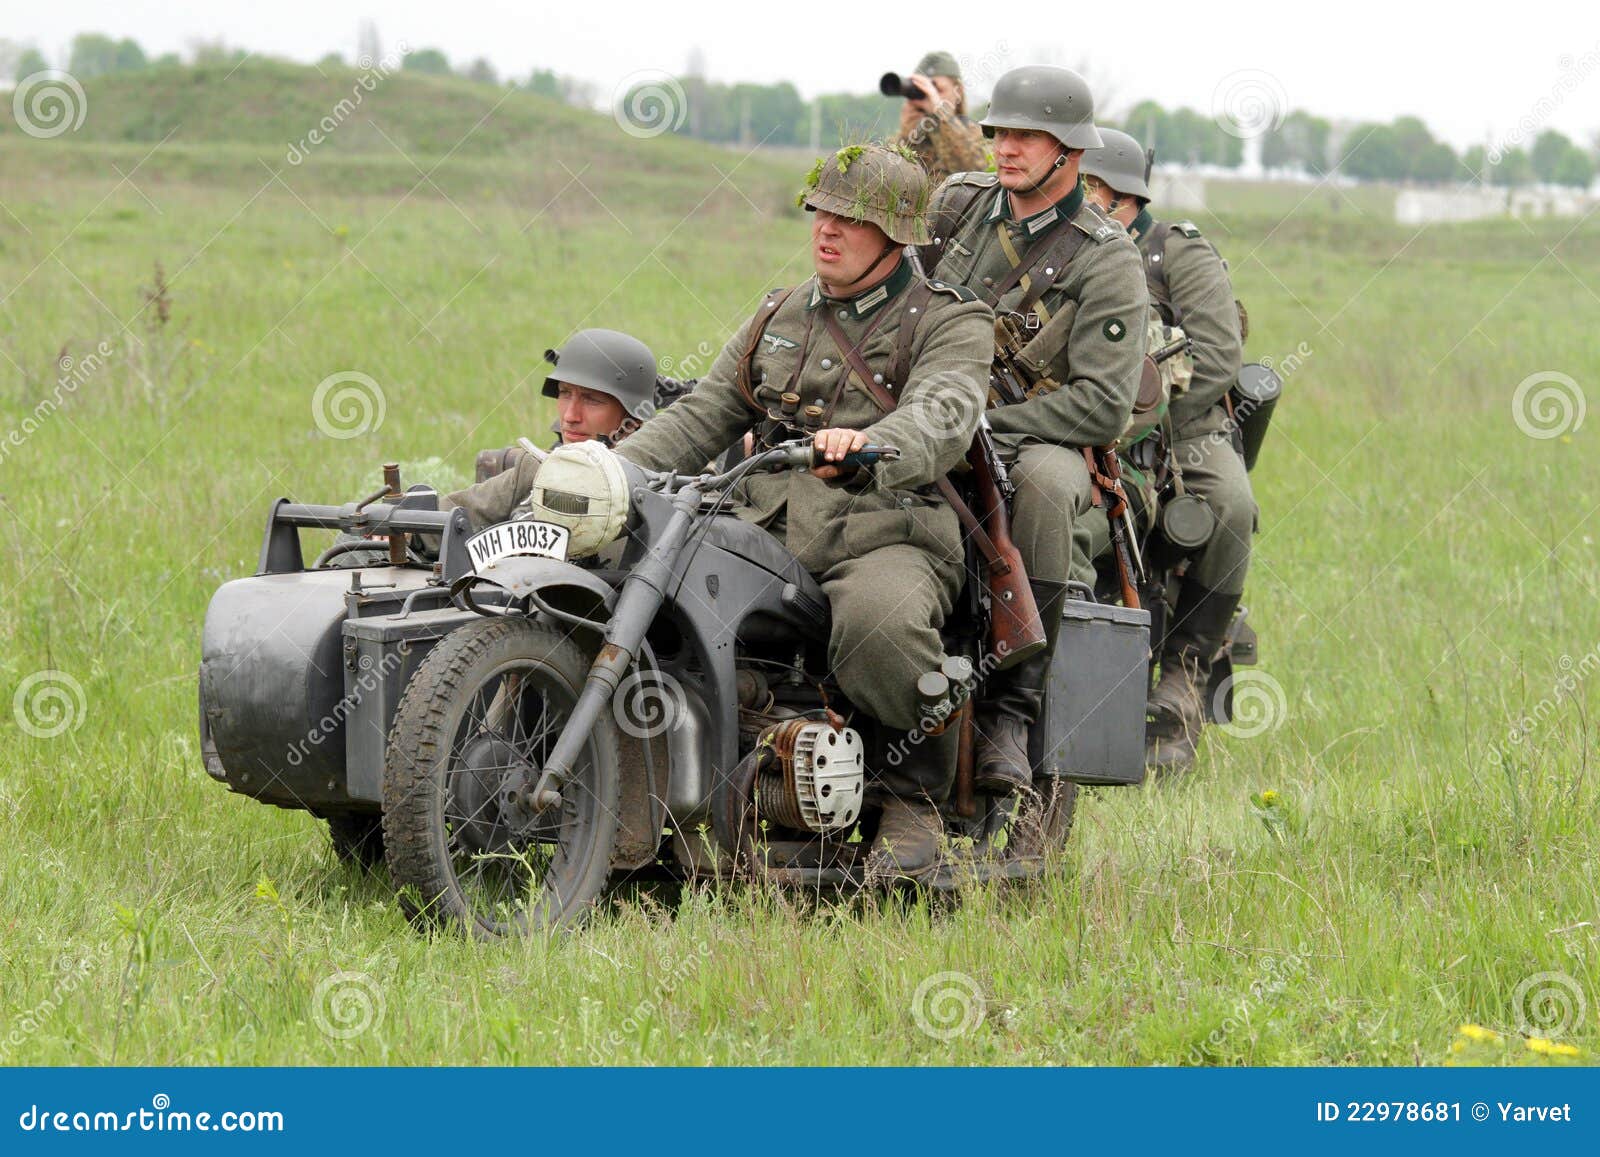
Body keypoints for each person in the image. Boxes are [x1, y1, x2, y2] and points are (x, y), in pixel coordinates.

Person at [616, 144, 993, 874]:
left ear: (897, 233)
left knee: (879, 624)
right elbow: (703, 416)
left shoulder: (949, 321)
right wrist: (610, 466)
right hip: (765, 522)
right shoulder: (779, 312)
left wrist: (870, 445)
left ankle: (917, 795)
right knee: (649, 582)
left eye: (849, 218)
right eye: (820, 211)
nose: (826, 229)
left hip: (888, 529)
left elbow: (943, 415)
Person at [919, 66, 1149, 794]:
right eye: (1000, 132)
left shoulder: (1107, 257)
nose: (1006, 147)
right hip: (931, 415)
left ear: (1071, 155)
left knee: (1049, 486)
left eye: (1027, 135)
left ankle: (1013, 709)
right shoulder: (960, 209)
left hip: (1036, 439)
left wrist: (988, 423)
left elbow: (1104, 407)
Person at [1080, 128, 1256, 772]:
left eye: (1086, 188)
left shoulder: (1175, 252)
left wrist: (1144, 421)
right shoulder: (1064, 250)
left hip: (1184, 428)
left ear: (1117, 195)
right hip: (1079, 425)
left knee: (1228, 505)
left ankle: (1184, 666)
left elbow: (1215, 359)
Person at [443, 328, 658, 530]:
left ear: (633, 418)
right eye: (565, 393)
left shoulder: (657, 494)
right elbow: (450, 514)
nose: (570, 416)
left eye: (592, 400)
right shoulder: (535, 469)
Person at [894, 51, 989, 184]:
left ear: (958, 92)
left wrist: (940, 113)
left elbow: (974, 171)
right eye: (921, 91)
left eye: (937, 90)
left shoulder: (977, 133)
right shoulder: (912, 137)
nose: (928, 97)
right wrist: (906, 136)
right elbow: (888, 177)